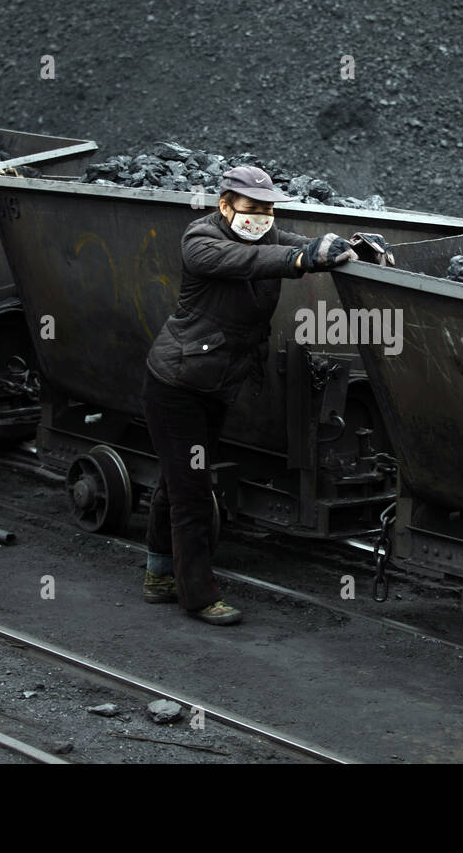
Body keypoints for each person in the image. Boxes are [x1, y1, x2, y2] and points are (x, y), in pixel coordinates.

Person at [142, 165, 388, 625]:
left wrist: (349, 248)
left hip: (214, 383)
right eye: (251, 209)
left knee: (175, 483)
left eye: (268, 210)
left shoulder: (269, 233)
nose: (260, 218)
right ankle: (197, 597)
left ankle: (158, 576)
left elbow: (299, 244)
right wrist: (303, 261)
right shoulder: (199, 240)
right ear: (225, 205)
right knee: (192, 493)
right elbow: (251, 262)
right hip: (176, 385)